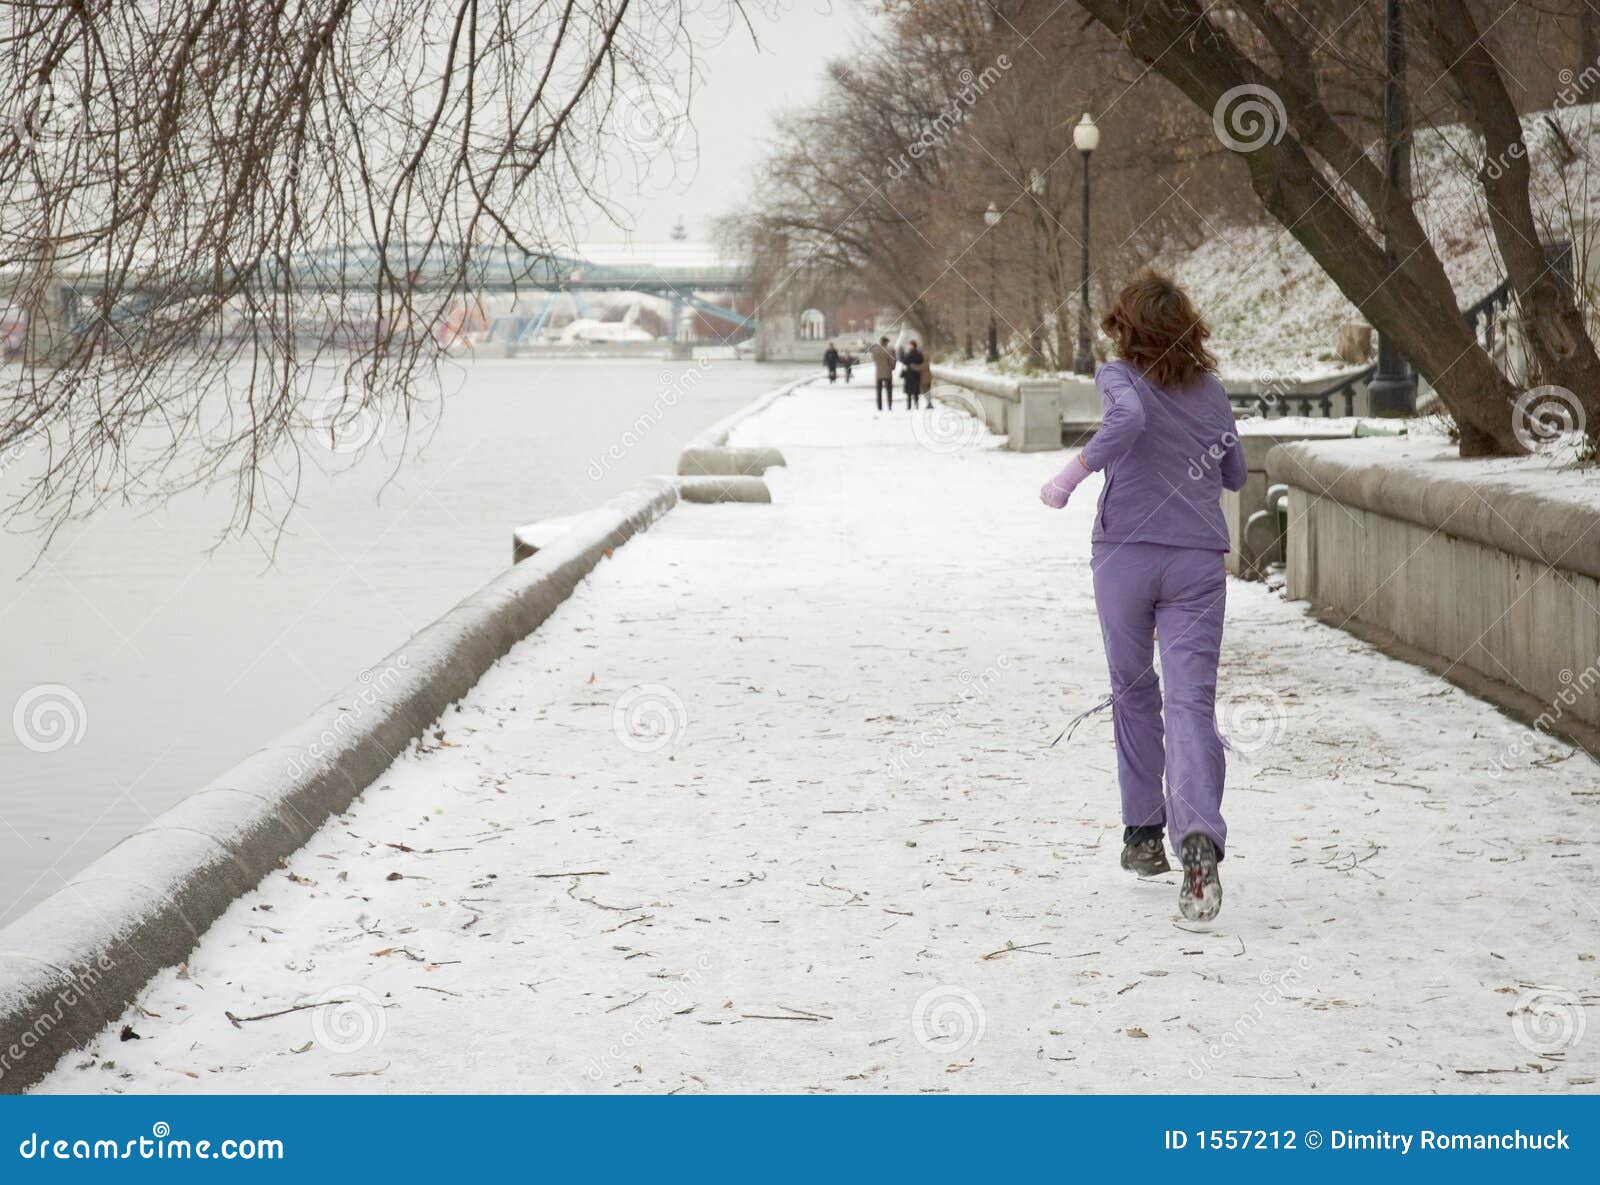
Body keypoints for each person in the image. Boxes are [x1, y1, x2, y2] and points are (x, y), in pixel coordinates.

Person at [1037, 269, 1245, 922]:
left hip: (1125, 556)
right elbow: (1235, 472)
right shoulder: (1209, 388)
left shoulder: (1119, 377)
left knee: (1133, 691)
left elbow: (1126, 421)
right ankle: (1199, 840)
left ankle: (1142, 834)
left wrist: (1071, 474)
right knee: (1190, 701)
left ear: (1126, 329)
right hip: (1196, 561)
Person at [869, 336, 895, 410]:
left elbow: (873, 359)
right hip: (888, 372)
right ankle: (889, 405)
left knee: (879, 391)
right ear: (886, 342)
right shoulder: (890, 350)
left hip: (878, 373)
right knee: (889, 390)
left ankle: (879, 406)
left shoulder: (875, 350)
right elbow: (893, 360)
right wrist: (892, 367)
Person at [901, 339, 925, 409]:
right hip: (910, 375)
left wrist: (909, 359)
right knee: (909, 392)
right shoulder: (909, 353)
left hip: (915, 374)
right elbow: (905, 361)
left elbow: (919, 361)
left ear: (913, 346)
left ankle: (916, 405)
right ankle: (909, 406)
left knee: (915, 392)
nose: (909, 346)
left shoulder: (917, 354)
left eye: (910, 345)